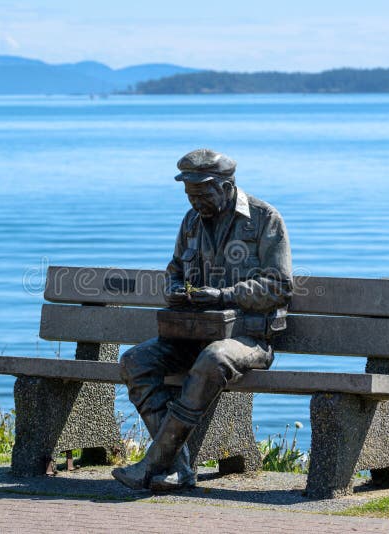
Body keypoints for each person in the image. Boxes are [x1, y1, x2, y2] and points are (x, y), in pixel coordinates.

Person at [112, 148, 293, 491]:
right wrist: (177, 289)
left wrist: (225, 296)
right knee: (135, 361)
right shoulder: (191, 221)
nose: (195, 203)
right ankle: (177, 467)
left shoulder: (264, 219)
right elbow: (174, 271)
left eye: (202, 194)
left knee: (214, 358)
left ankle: (153, 463)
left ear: (226, 187)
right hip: (190, 337)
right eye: (190, 195)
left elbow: (279, 286)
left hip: (250, 340)